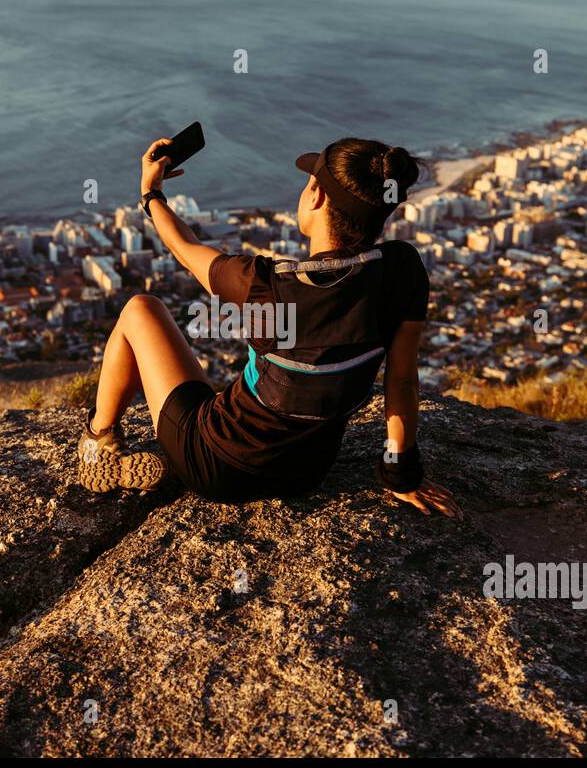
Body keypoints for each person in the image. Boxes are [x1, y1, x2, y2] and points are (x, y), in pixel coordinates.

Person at [74, 135, 461, 518]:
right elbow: (403, 381)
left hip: (217, 469)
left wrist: (150, 193)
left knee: (141, 309)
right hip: (306, 473)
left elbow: (185, 249)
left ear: (317, 197)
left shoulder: (268, 284)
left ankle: (97, 443)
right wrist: (401, 474)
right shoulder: (402, 271)